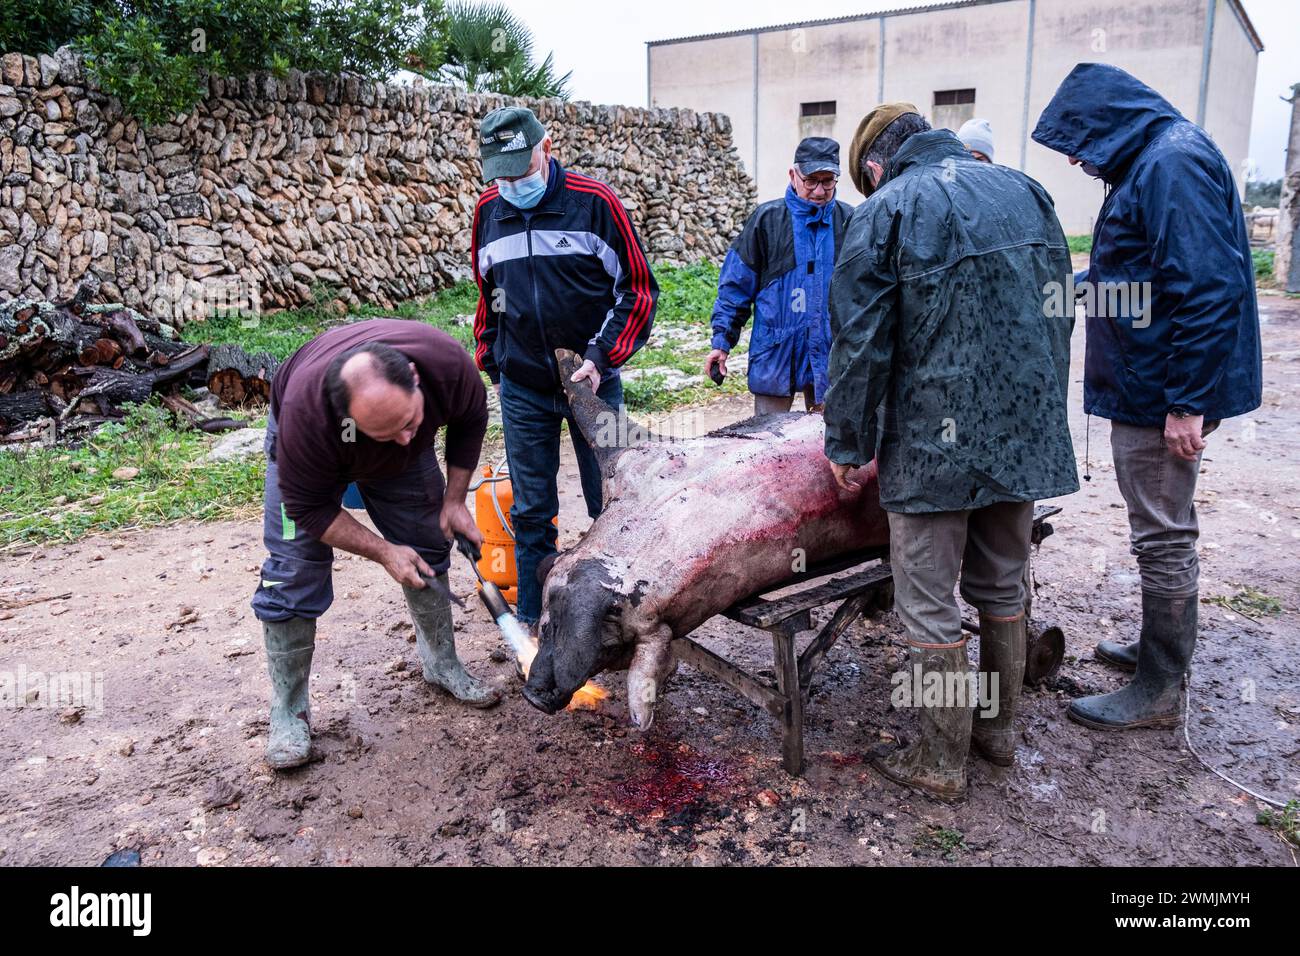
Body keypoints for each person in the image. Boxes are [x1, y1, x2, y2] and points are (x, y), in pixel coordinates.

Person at [824, 104, 1078, 801]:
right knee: (999, 586)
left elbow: (860, 344)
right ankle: (995, 734)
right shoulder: (1025, 191)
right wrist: (1038, 411)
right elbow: (1062, 308)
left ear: (874, 167)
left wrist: (846, 440)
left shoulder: (886, 211)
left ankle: (939, 761)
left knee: (929, 604)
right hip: (1021, 433)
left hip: (933, 446)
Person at [1032, 63, 1262, 730]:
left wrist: (1187, 401)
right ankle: (1157, 652)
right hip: (1150, 380)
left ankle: (1159, 687)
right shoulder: (1152, 160)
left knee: (1162, 533)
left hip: (1161, 390)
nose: (1073, 157)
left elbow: (1208, 287)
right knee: (1157, 525)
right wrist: (1075, 286)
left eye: (1075, 141)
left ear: (1105, 121)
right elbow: (1143, 272)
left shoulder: (1170, 166)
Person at [252, 319, 499, 770]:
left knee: (426, 542)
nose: (406, 439)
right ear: (347, 418)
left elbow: (470, 418)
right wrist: (384, 552)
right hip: (315, 456)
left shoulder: (446, 364)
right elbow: (309, 511)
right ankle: (289, 711)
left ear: (415, 378)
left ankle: (441, 663)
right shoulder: (307, 420)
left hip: (388, 450)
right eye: (388, 433)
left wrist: (455, 500)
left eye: (410, 422)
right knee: (292, 572)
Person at [471, 106, 657, 632]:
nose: (510, 183)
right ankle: (534, 619)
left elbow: (638, 290)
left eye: (519, 170)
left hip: (590, 382)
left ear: (546, 149)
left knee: (610, 498)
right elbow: (488, 296)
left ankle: (617, 621)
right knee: (532, 508)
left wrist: (601, 358)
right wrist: (493, 359)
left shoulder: (595, 205)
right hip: (523, 386)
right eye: (499, 174)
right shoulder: (490, 211)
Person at [705, 137, 854, 414]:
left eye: (828, 181)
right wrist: (722, 342)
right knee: (767, 444)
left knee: (830, 446)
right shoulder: (767, 220)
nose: (820, 191)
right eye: (811, 180)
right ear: (793, 175)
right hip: (775, 354)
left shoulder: (849, 220)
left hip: (832, 358)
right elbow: (735, 288)